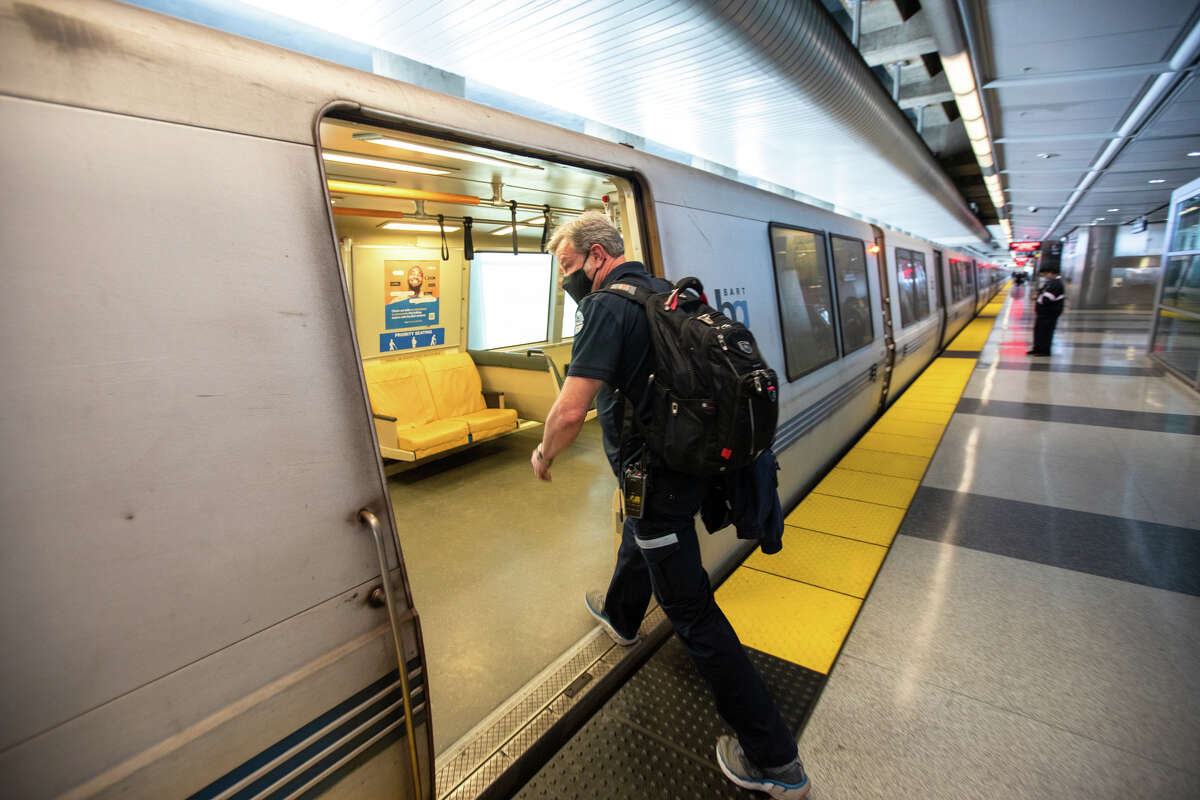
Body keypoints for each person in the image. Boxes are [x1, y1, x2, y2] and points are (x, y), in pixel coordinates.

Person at [530, 211, 810, 799]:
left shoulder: (606, 308)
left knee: (691, 611)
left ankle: (775, 760)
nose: (567, 279)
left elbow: (571, 409)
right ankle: (621, 615)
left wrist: (544, 453)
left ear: (598, 256)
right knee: (645, 533)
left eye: (568, 265)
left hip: (659, 481)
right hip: (694, 468)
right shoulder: (666, 292)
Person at [1027, 266, 1065, 356]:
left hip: (1049, 313)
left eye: (1045, 274)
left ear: (1051, 273)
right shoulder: (1051, 282)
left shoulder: (1056, 284)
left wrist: (1036, 298)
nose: (1044, 276)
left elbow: (1047, 299)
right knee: (1039, 330)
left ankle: (1044, 351)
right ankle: (1037, 348)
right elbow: (1042, 293)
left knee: (1046, 332)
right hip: (1044, 313)